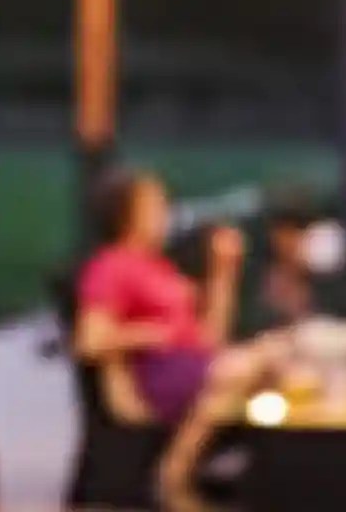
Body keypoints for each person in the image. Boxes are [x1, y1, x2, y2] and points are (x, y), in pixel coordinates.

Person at [75, 171, 246, 427]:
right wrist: (148, 334)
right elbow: (89, 341)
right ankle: (177, 463)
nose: (166, 212)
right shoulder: (111, 265)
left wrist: (224, 272)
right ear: (125, 214)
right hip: (160, 377)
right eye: (155, 205)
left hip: (200, 369)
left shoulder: (162, 267)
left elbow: (209, 340)